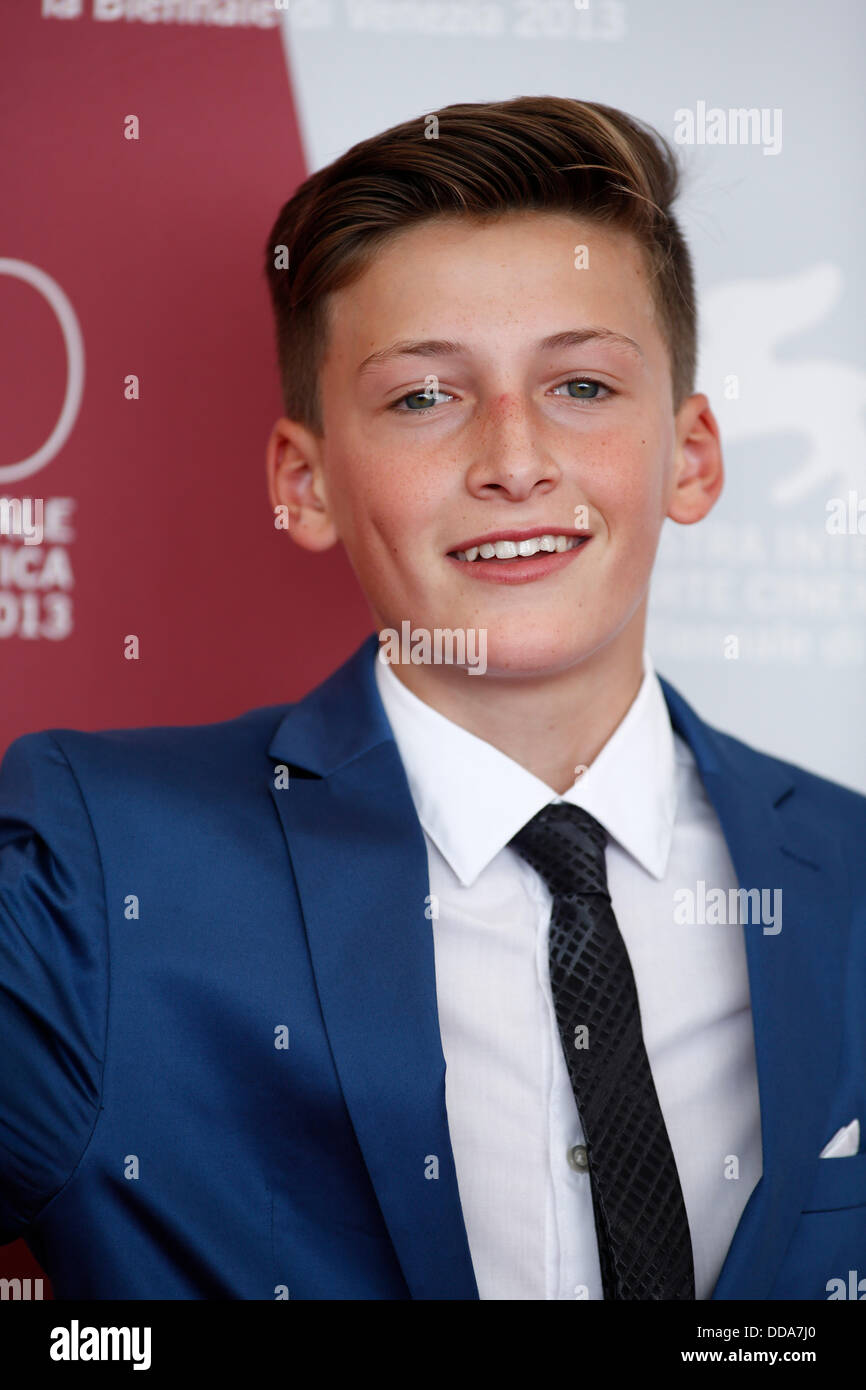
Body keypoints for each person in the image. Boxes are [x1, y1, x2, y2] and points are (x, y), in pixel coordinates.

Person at [1, 97, 863, 1302]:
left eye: (580, 385)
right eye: (423, 397)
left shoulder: (853, 874)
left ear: (691, 453)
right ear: (303, 483)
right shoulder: (92, 873)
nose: (514, 458)